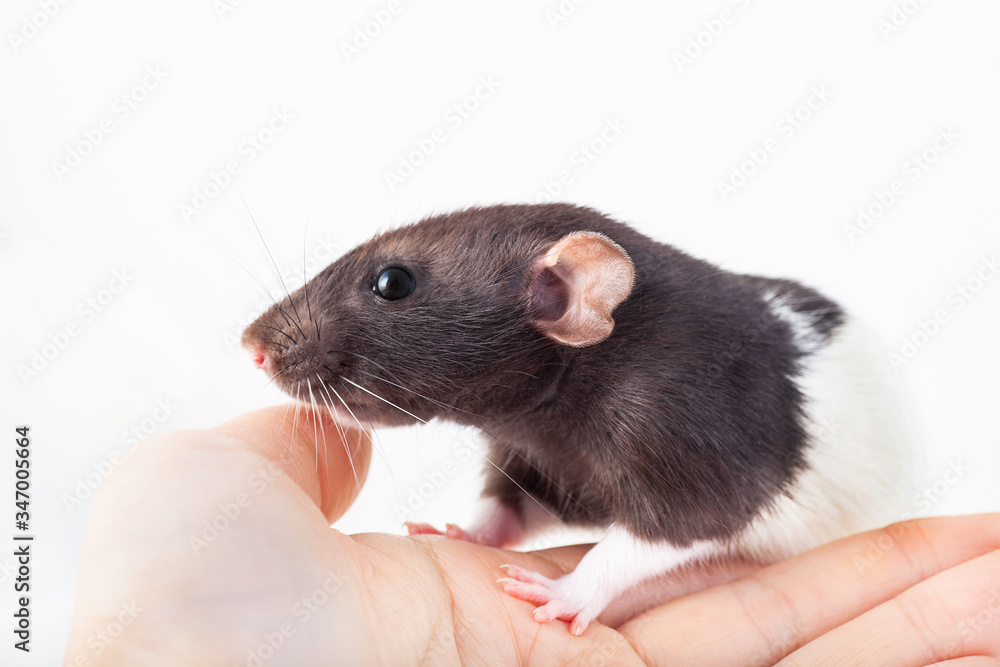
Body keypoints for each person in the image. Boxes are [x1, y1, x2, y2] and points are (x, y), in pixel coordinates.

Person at [65, 406, 1000, 666]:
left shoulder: (656, 405)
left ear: (566, 298)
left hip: (795, 515)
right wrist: (495, 526)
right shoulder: (547, 412)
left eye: (392, 288)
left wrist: (586, 589)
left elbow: (688, 509)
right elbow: (534, 468)